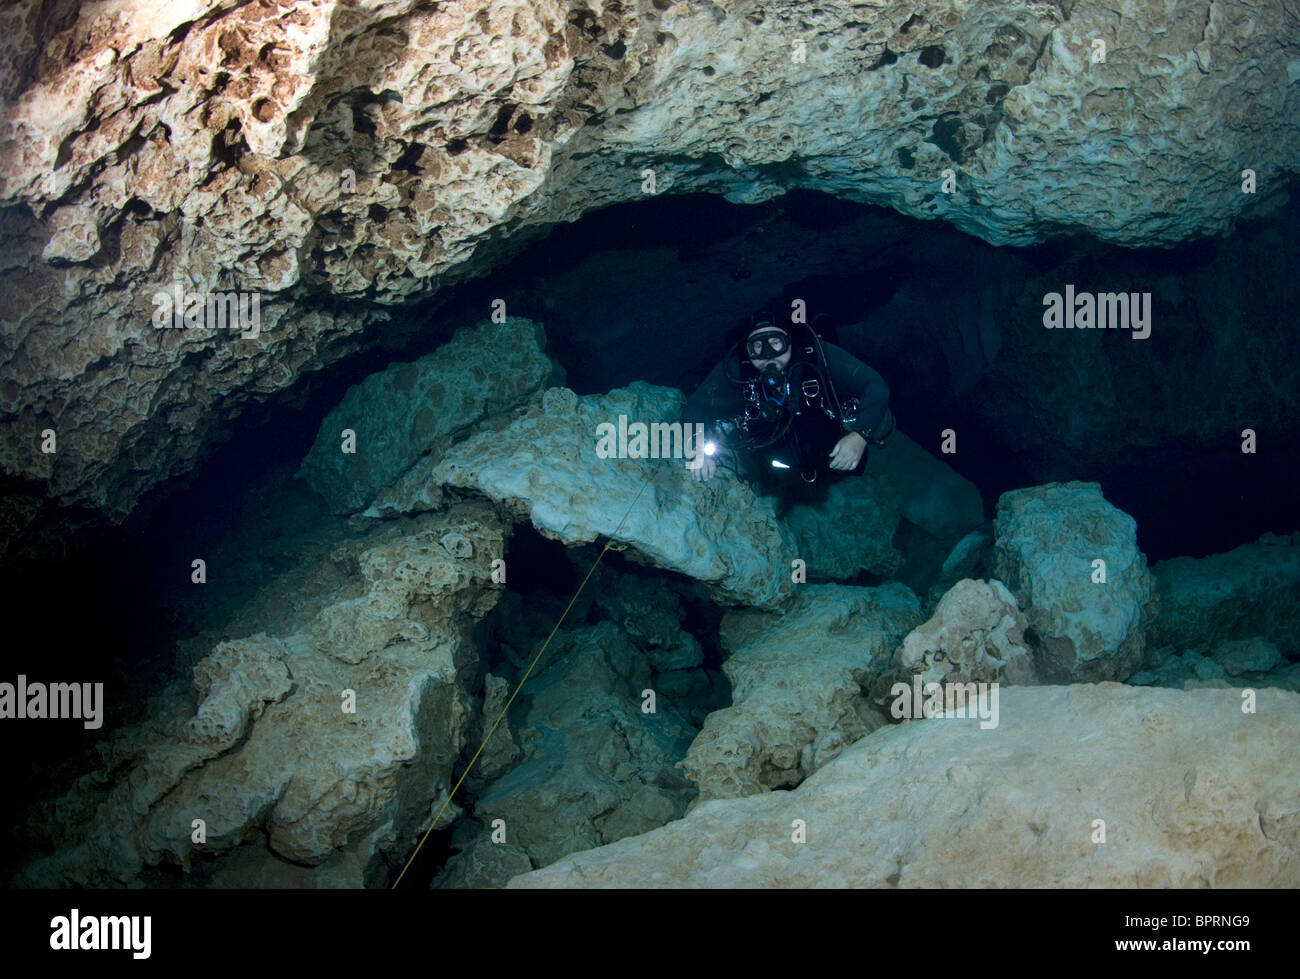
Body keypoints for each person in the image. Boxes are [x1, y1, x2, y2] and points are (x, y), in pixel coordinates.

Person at [681, 313, 893, 487]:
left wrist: (860, 435)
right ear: (748, 351)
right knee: (770, 474)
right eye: (757, 347)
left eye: (776, 343)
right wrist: (697, 450)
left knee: (874, 433)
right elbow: (697, 406)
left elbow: (875, 385)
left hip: (827, 423)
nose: (768, 355)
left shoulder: (818, 355)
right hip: (776, 440)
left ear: (790, 343)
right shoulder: (737, 368)